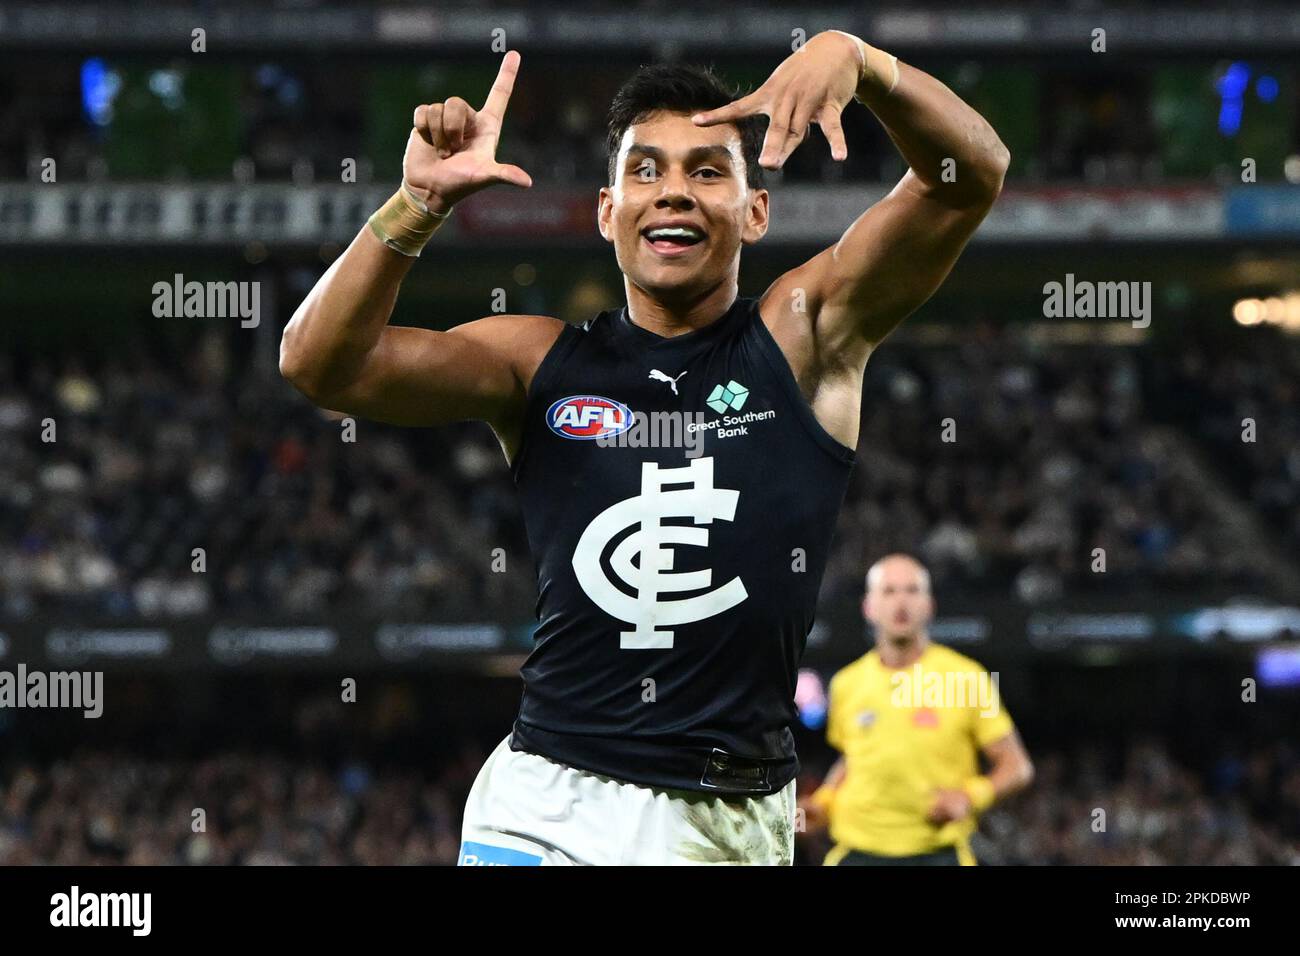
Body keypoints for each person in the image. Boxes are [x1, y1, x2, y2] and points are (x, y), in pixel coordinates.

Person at [280, 33, 1009, 864]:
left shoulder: (806, 337)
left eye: (706, 171)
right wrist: (414, 204)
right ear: (606, 211)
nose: (672, 194)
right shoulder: (535, 362)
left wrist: (866, 64)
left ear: (756, 210)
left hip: (728, 822)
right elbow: (318, 364)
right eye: (644, 169)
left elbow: (969, 179)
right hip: (547, 800)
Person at [802, 554, 1034, 865]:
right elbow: (853, 758)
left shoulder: (965, 677)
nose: (901, 602)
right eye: (889, 591)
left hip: (937, 853)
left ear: (929, 605)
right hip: (857, 851)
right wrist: (824, 801)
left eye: (912, 591)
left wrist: (970, 796)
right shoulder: (847, 683)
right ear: (868, 607)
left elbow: (1017, 766)